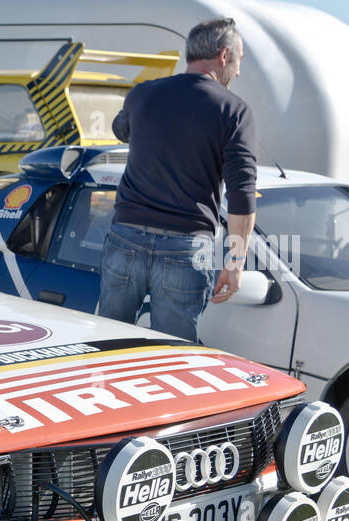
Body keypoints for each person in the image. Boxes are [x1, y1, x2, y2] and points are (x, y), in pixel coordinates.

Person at [97, 17, 257, 342]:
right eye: (239, 61)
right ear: (224, 55)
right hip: (185, 247)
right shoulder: (234, 111)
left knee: (108, 344)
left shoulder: (143, 95)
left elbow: (119, 129)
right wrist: (236, 261)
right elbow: (242, 194)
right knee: (173, 354)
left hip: (126, 237)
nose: (238, 71)